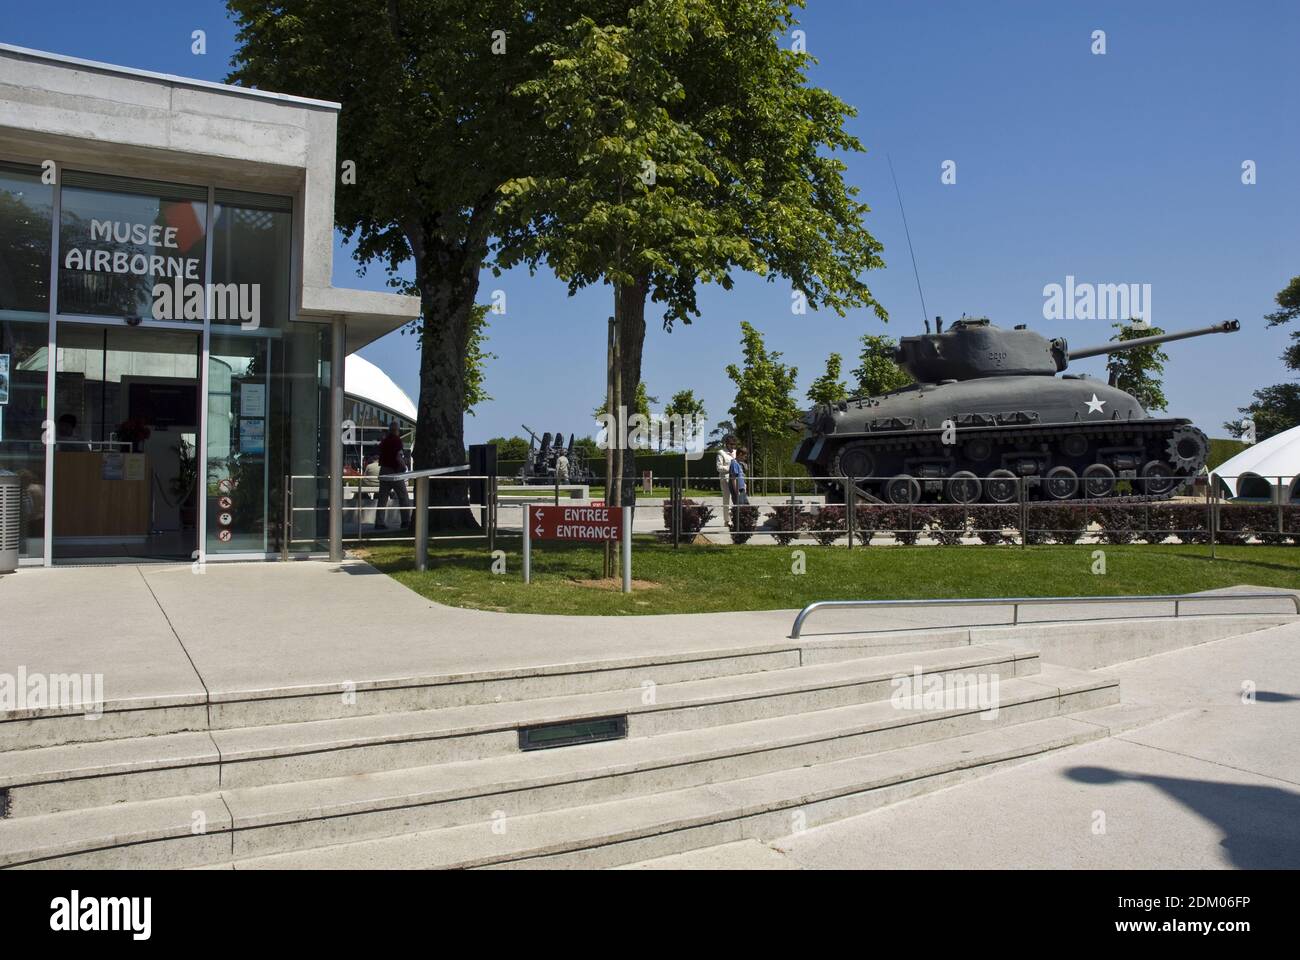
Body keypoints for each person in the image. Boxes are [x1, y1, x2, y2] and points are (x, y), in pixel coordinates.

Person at [374, 422, 412, 530]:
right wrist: (404, 466)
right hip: (394, 471)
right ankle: (405, 521)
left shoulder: (384, 441)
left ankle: (379, 522)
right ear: (397, 430)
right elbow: (398, 456)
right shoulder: (397, 441)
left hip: (384, 470)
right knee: (403, 496)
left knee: (382, 498)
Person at [715, 435, 737, 528]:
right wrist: (730, 468)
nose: (733, 446)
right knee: (727, 498)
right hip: (726, 478)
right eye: (731, 444)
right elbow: (719, 467)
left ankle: (736, 518)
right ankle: (727, 520)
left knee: (736, 498)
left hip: (736, 478)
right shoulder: (721, 453)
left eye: (734, 444)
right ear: (727, 444)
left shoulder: (736, 452)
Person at [729, 446, 750, 532]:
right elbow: (733, 478)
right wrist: (736, 490)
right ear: (740, 454)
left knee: (746, 506)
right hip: (738, 490)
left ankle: (744, 526)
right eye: (744, 456)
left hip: (742, 489)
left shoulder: (739, 464)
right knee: (739, 509)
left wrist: (744, 484)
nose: (745, 458)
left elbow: (741, 476)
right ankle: (738, 528)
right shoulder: (734, 463)